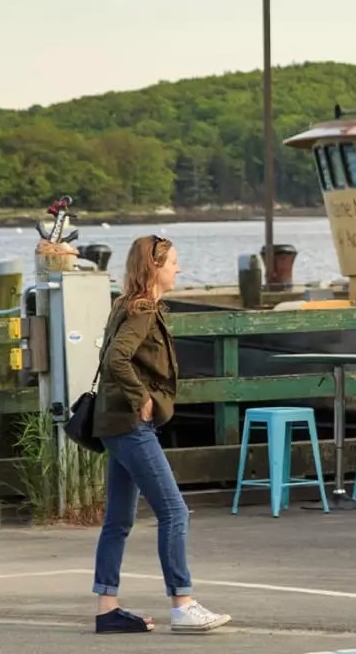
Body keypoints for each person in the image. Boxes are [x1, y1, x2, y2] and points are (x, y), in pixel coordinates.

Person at [91, 235, 230, 635]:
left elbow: (114, 355)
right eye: (172, 262)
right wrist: (141, 398)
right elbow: (117, 357)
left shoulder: (125, 306)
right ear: (154, 267)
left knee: (118, 520)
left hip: (114, 425)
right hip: (131, 426)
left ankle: (107, 608)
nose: (178, 269)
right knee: (174, 512)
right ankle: (182, 603)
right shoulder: (142, 310)